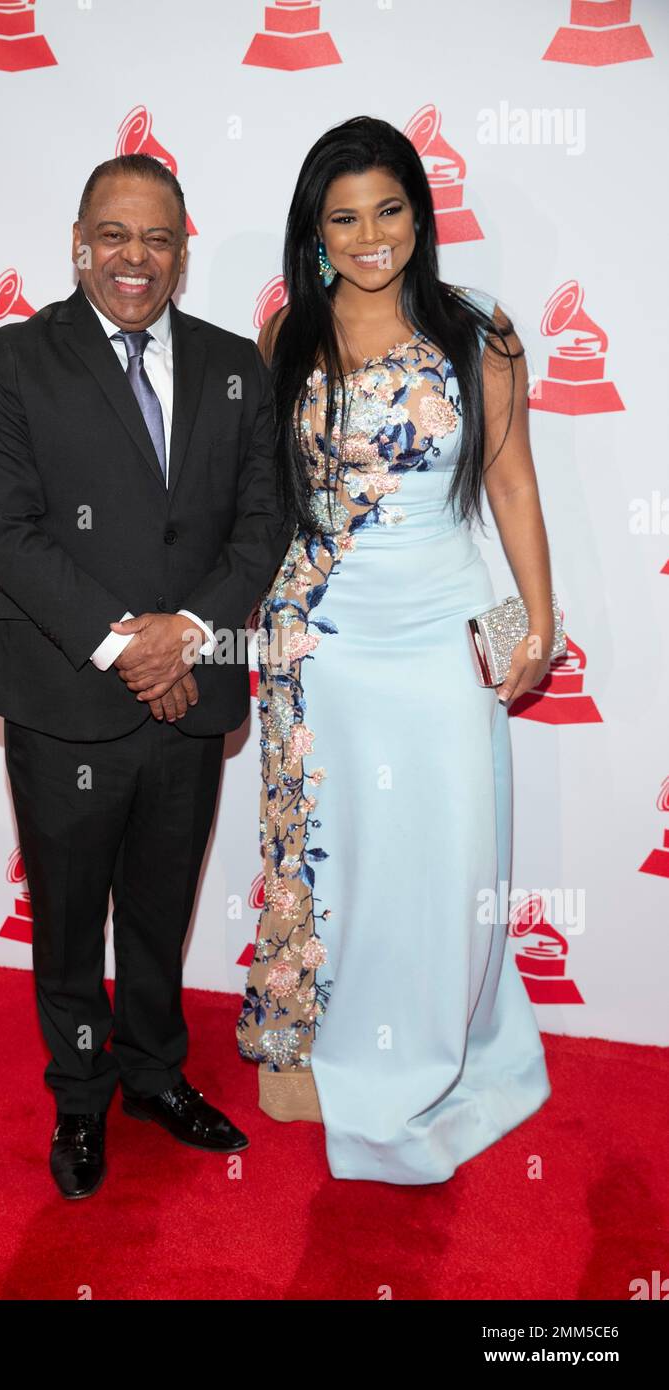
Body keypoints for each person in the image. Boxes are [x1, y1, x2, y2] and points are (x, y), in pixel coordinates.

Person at [0, 153, 290, 1199]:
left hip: (190, 695)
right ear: (77, 240)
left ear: (182, 251)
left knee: (159, 907)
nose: (132, 257)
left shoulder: (236, 364)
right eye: (113, 234)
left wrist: (185, 632)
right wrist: (123, 643)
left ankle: (153, 1073)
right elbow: (3, 525)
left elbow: (262, 519)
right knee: (67, 918)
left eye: (156, 238)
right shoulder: (14, 357)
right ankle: (80, 1094)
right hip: (66, 696)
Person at [237, 116, 554, 1184]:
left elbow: (508, 484)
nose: (370, 235)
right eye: (344, 216)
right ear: (315, 230)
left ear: (418, 214)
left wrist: (536, 620)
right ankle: (325, 1052)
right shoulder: (289, 335)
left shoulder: (479, 331)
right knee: (338, 856)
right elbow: (271, 505)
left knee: (448, 851)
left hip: (439, 628)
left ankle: (439, 1045)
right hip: (318, 638)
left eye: (388, 210)